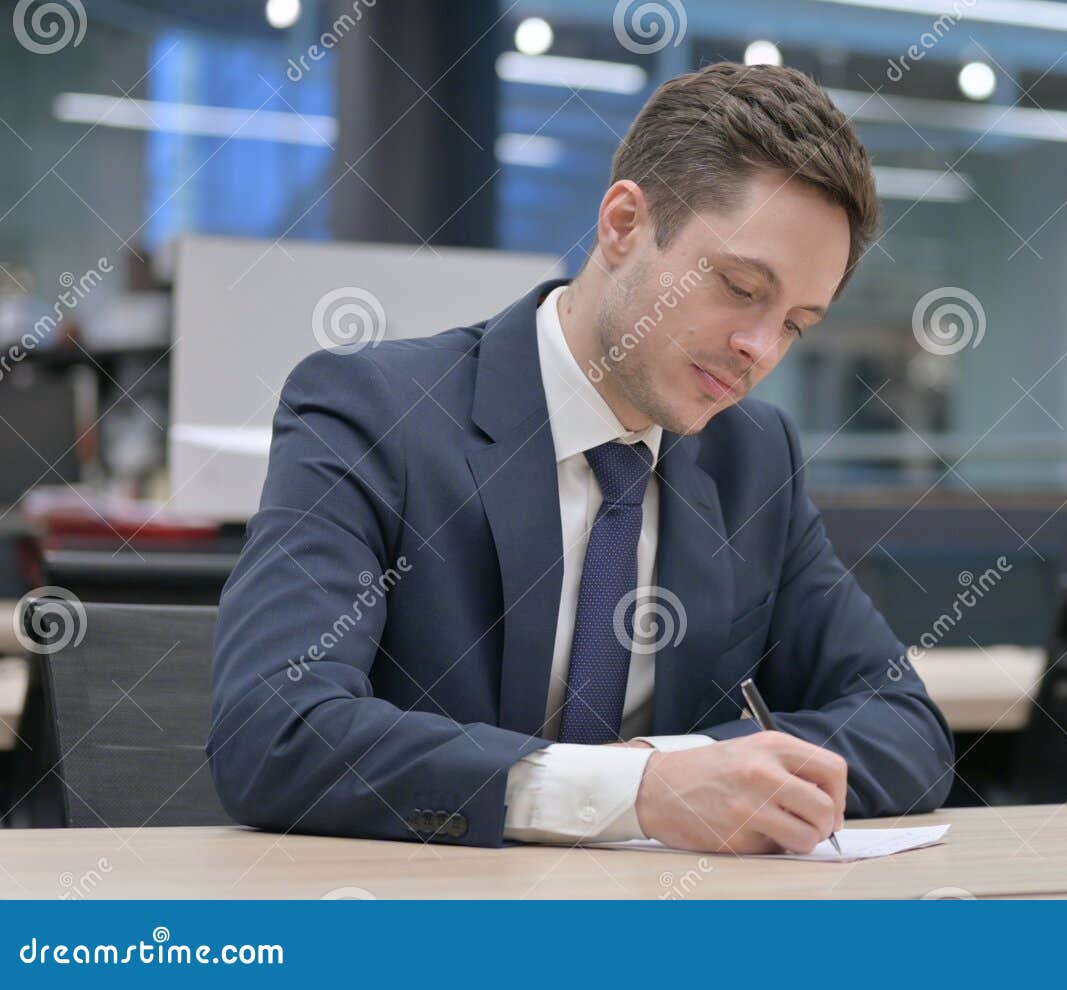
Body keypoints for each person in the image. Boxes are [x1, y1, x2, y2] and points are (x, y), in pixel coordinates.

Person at [208, 62, 953, 853]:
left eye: (798, 323)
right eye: (739, 285)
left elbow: (905, 729)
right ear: (625, 224)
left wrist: (680, 770)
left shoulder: (754, 459)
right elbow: (273, 730)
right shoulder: (374, 413)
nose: (759, 349)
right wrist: (635, 794)